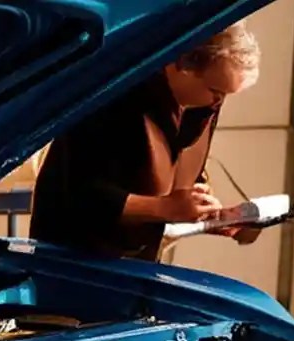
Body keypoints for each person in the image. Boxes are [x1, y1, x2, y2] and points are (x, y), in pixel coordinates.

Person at [30, 21, 264, 262]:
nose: (217, 102)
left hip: (137, 261)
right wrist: (166, 208)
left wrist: (209, 214)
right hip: (73, 261)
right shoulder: (117, 95)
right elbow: (82, 195)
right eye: (216, 91)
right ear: (184, 62)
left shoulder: (201, 108)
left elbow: (175, 177)